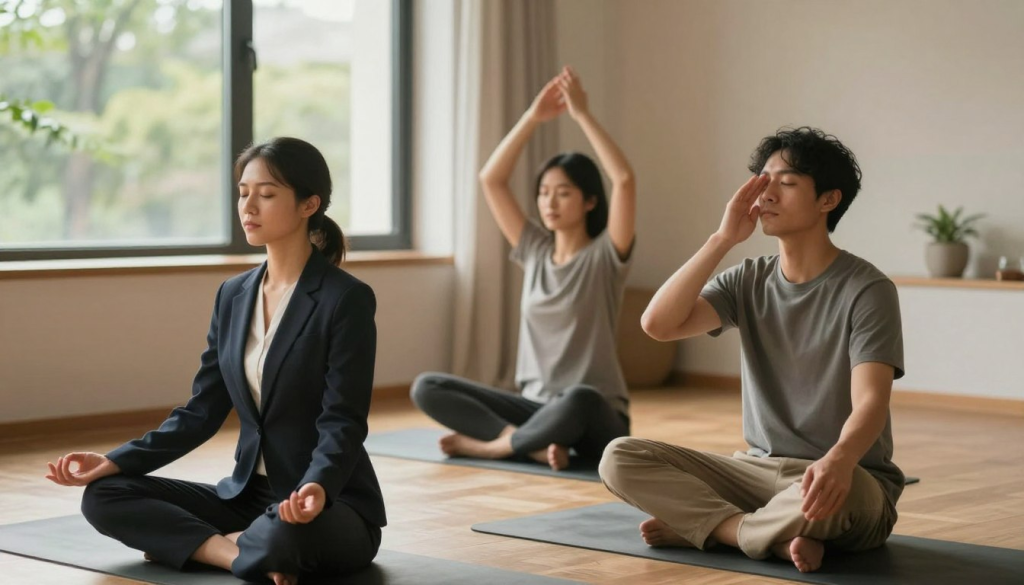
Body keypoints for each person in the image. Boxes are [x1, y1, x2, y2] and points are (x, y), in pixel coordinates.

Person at [45, 137, 386, 585]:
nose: (249, 206)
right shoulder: (233, 295)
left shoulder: (346, 299)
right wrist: (115, 461)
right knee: (104, 496)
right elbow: (201, 411)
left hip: (328, 501)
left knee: (284, 536)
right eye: (243, 192)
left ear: (309, 204)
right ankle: (235, 552)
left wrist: (317, 486)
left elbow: (342, 420)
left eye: (266, 194)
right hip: (246, 496)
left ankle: (218, 545)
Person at [600, 127, 905, 574]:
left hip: (844, 479)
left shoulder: (868, 289)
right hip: (755, 476)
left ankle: (710, 528)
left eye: (786, 182)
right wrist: (722, 239)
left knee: (849, 491)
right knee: (619, 457)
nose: (766, 194)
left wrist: (838, 461)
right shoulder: (749, 278)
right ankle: (758, 535)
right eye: (763, 180)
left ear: (828, 200)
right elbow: (657, 325)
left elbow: (872, 401)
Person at [411, 66, 637, 471]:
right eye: (543, 193)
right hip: (534, 408)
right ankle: (528, 444)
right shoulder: (534, 249)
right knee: (428, 387)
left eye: (563, 193)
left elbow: (623, 180)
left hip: (594, 416)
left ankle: (495, 447)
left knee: (581, 396)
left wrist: (581, 113)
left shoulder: (605, 257)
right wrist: (533, 117)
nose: (549, 203)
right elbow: (491, 179)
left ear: (589, 201)